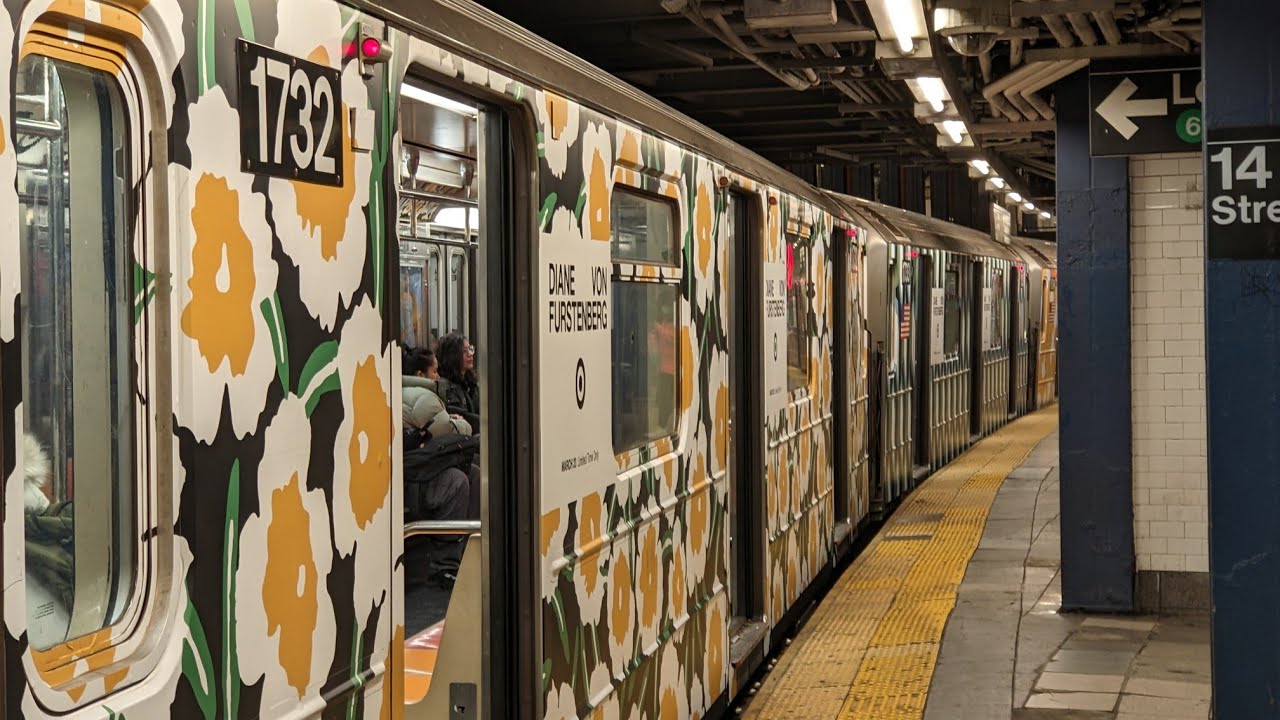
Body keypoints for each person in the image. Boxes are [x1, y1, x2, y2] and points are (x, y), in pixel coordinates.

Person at [402, 348, 471, 444]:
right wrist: (462, 422)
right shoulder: (424, 398)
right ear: (420, 374)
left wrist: (448, 418)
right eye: (435, 371)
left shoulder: (402, 391)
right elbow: (454, 432)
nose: (438, 376)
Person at [437, 334, 480, 424]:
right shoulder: (446, 387)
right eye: (464, 351)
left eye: (470, 349)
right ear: (452, 356)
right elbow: (464, 417)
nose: (470, 354)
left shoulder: (470, 382)